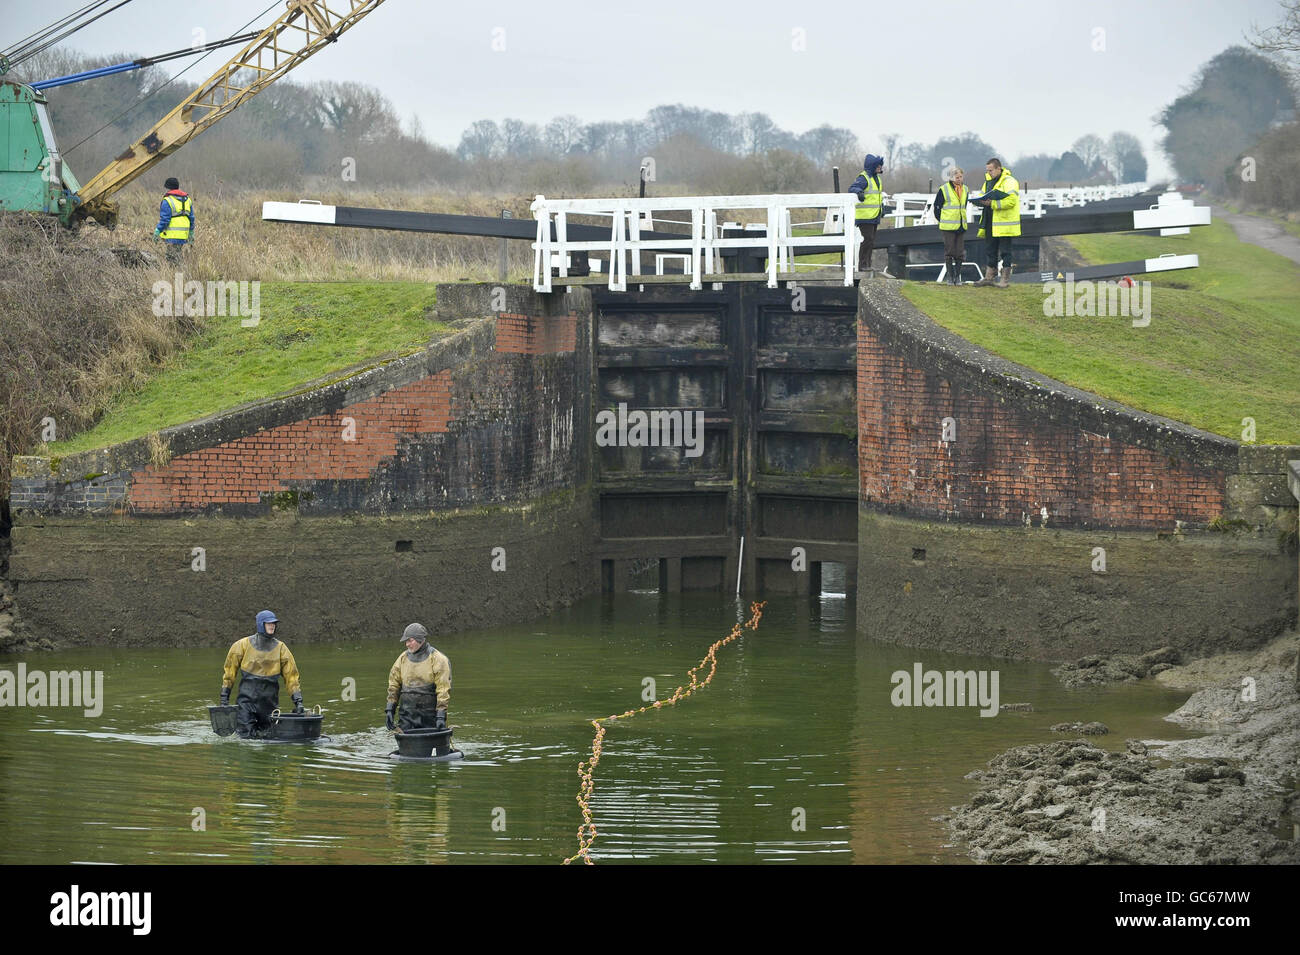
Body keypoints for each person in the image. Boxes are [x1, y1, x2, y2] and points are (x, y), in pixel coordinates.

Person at [220, 610, 303, 738]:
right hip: (246, 703)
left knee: (268, 738)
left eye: (274, 623)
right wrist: (224, 699)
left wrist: (298, 702)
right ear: (260, 624)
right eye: (268, 623)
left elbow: (291, 677)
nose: (272, 626)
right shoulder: (241, 645)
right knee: (244, 739)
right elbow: (229, 673)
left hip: (269, 705)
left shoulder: (281, 648)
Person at [386, 623, 451, 733]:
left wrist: (440, 716)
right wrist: (390, 709)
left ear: (420, 639)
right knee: (406, 748)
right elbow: (393, 685)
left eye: (410, 640)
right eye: (406, 641)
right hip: (406, 716)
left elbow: (443, 689)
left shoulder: (438, 659)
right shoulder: (402, 659)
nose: (407, 644)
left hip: (430, 716)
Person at [972, 158, 1020, 287]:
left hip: (1004, 223)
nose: (989, 173)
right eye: (987, 170)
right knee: (990, 250)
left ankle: (1004, 280)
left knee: (1005, 251)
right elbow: (982, 195)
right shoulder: (988, 181)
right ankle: (989, 277)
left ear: (999, 168)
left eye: (991, 170)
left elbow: (1011, 201)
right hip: (989, 220)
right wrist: (979, 201)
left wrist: (992, 203)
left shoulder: (1010, 182)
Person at [848, 153, 886, 275]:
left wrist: (881, 209)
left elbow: (877, 197)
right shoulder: (864, 178)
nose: (880, 168)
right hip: (864, 217)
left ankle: (868, 264)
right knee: (867, 240)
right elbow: (853, 188)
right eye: (878, 166)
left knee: (871, 241)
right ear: (872, 166)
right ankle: (863, 266)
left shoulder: (877, 178)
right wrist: (859, 192)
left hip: (874, 216)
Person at [932, 167, 969, 285]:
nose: (959, 179)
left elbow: (964, 205)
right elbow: (937, 207)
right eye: (957, 177)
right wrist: (942, 220)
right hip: (948, 227)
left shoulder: (966, 189)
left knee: (960, 252)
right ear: (951, 178)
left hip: (961, 225)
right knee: (949, 251)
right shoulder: (944, 189)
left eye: (961, 177)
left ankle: (957, 277)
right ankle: (950, 277)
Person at [154, 176, 193, 264]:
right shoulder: (187, 200)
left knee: (172, 259)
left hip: (172, 234)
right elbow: (191, 218)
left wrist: (157, 231)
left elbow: (165, 219)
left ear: (168, 188)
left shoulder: (167, 200)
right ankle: (181, 273)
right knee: (178, 254)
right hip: (184, 234)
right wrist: (191, 232)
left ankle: (176, 275)